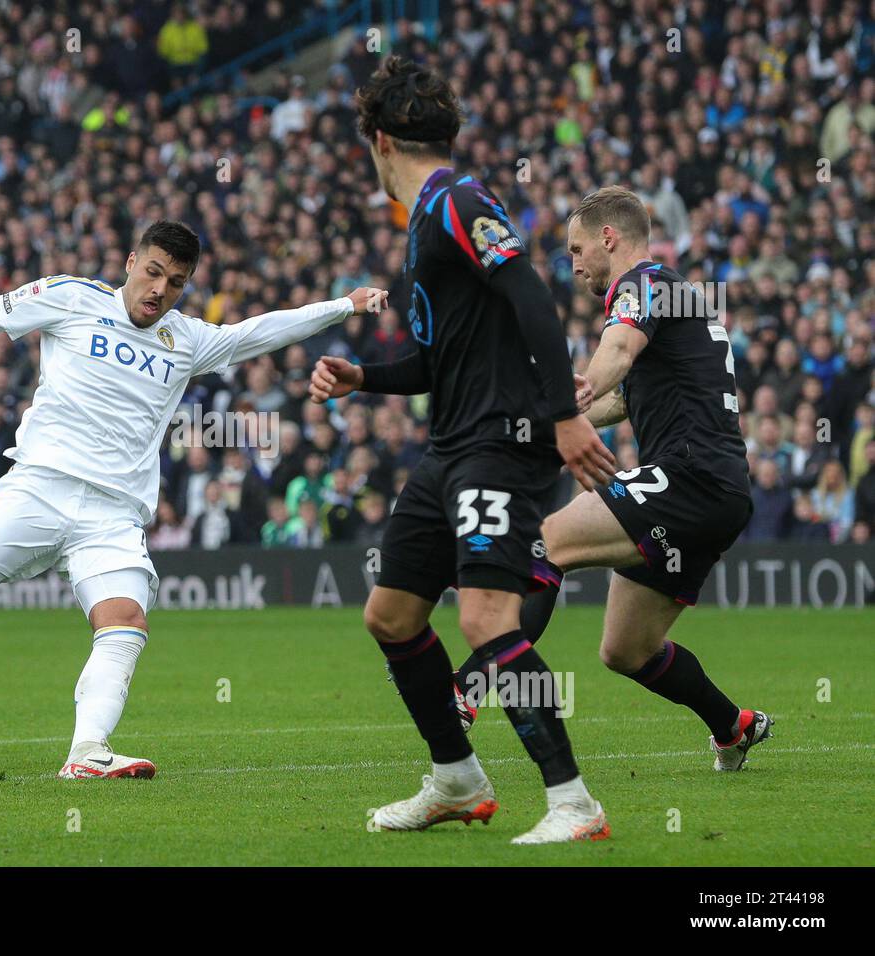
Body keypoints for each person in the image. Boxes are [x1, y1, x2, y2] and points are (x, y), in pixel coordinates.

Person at [0, 220, 387, 780]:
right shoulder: (71, 296)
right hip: (38, 486)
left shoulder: (190, 340)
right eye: (152, 272)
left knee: (124, 621)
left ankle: (86, 753)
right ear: (130, 262)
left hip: (114, 512)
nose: (160, 290)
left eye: (176, 282)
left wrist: (344, 305)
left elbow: (263, 330)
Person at [309, 57, 615, 844]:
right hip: (450, 449)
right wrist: (362, 377)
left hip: (499, 448)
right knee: (392, 613)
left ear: (378, 140)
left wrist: (563, 418)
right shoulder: (427, 220)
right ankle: (455, 779)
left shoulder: (460, 199)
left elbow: (533, 298)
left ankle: (573, 803)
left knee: (485, 618)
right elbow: (433, 361)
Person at [455, 186, 771, 773]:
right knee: (626, 650)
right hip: (718, 491)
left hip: (690, 478)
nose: (572, 264)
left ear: (609, 238)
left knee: (542, 543)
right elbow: (625, 397)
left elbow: (617, 355)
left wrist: (573, 393)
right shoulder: (681, 297)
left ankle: (464, 692)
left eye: (577, 249)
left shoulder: (645, 283)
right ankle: (734, 726)